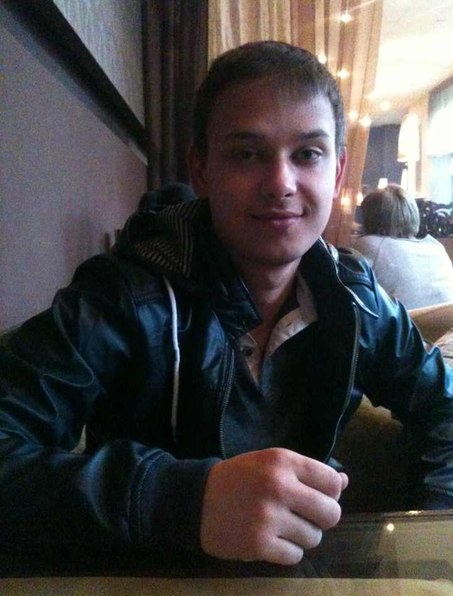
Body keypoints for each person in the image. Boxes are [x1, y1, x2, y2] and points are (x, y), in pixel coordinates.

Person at [1, 41, 452, 568]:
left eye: (307, 154)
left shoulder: (357, 300)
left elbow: (443, 405)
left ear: (336, 172)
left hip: (304, 582)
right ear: (201, 170)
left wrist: (432, 538)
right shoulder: (124, 296)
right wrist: (183, 500)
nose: (280, 183)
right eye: (246, 154)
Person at [353, 184, 453, 309]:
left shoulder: (369, 244)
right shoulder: (436, 247)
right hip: (446, 320)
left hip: (408, 321)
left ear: (370, 217)